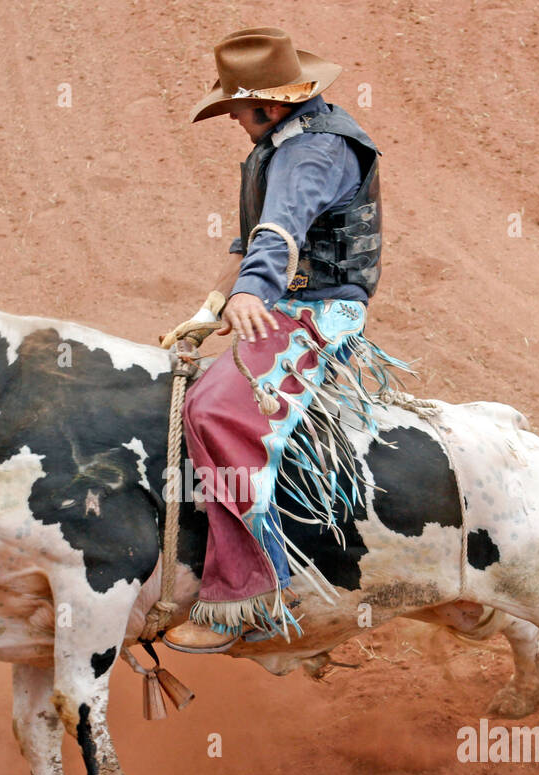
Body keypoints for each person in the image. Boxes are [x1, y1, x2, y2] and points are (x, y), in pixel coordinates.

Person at [161, 27, 403, 654]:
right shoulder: (289, 139)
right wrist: (212, 308)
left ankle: (253, 597)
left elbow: (278, 230)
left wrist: (252, 294)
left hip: (322, 313)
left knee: (215, 410)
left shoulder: (311, 155)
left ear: (266, 105)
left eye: (236, 109)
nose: (235, 120)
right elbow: (248, 245)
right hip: (290, 306)